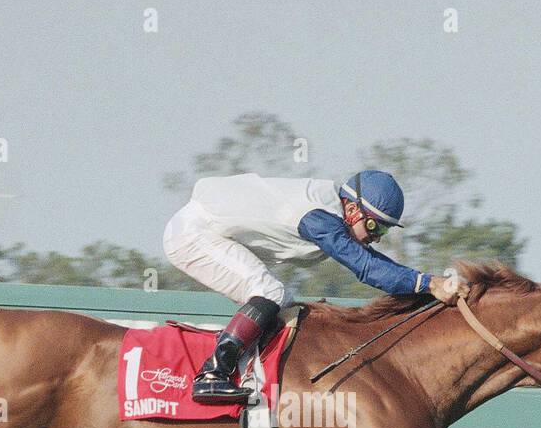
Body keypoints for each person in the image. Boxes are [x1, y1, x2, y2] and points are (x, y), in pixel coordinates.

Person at [163, 170, 467, 403]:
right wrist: (428, 283)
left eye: (384, 230)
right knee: (271, 294)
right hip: (193, 234)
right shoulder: (321, 219)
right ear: (352, 209)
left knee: (284, 305)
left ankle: (251, 376)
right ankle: (212, 373)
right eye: (375, 226)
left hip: (212, 231)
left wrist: (427, 283)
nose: (377, 236)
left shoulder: (332, 211)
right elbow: (366, 268)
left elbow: (370, 259)